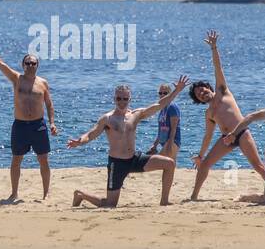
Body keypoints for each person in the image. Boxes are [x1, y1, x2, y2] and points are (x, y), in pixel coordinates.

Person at [68, 76, 189, 207]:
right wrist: (80, 141)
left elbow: (159, 105)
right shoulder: (107, 119)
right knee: (110, 204)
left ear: (129, 99)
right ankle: (80, 195)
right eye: (119, 98)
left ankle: (164, 201)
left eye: (125, 99)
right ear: (114, 99)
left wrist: (177, 91)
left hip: (134, 159)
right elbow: (92, 134)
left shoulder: (136, 115)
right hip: (117, 163)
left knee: (170, 164)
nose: (122, 102)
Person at [0, 34, 57, 202]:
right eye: (27, 63)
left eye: (33, 63)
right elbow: (0, 64)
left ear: (37, 65)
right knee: (16, 160)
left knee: (43, 160)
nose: (30, 66)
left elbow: (49, 104)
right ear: (23, 65)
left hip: (38, 125)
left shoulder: (43, 83)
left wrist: (52, 123)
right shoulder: (16, 79)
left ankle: (46, 193)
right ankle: (14, 193)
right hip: (20, 125)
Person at [187, 30, 265, 200]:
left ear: (209, 87)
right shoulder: (209, 113)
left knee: (257, 165)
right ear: (199, 100)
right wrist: (200, 155)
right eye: (199, 94)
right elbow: (207, 136)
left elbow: (218, 67)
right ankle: (194, 196)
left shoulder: (223, 91)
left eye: (203, 89)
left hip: (241, 133)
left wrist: (214, 47)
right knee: (205, 165)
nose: (202, 93)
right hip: (226, 139)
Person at [145, 82, 182, 162]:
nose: (162, 95)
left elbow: (174, 128)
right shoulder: (162, 108)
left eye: (165, 93)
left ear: (170, 93)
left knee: (157, 162)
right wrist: (154, 145)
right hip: (164, 143)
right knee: (169, 167)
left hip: (172, 142)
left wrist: (170, 144)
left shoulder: (172, 107)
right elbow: (161, 130)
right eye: (160, 93)